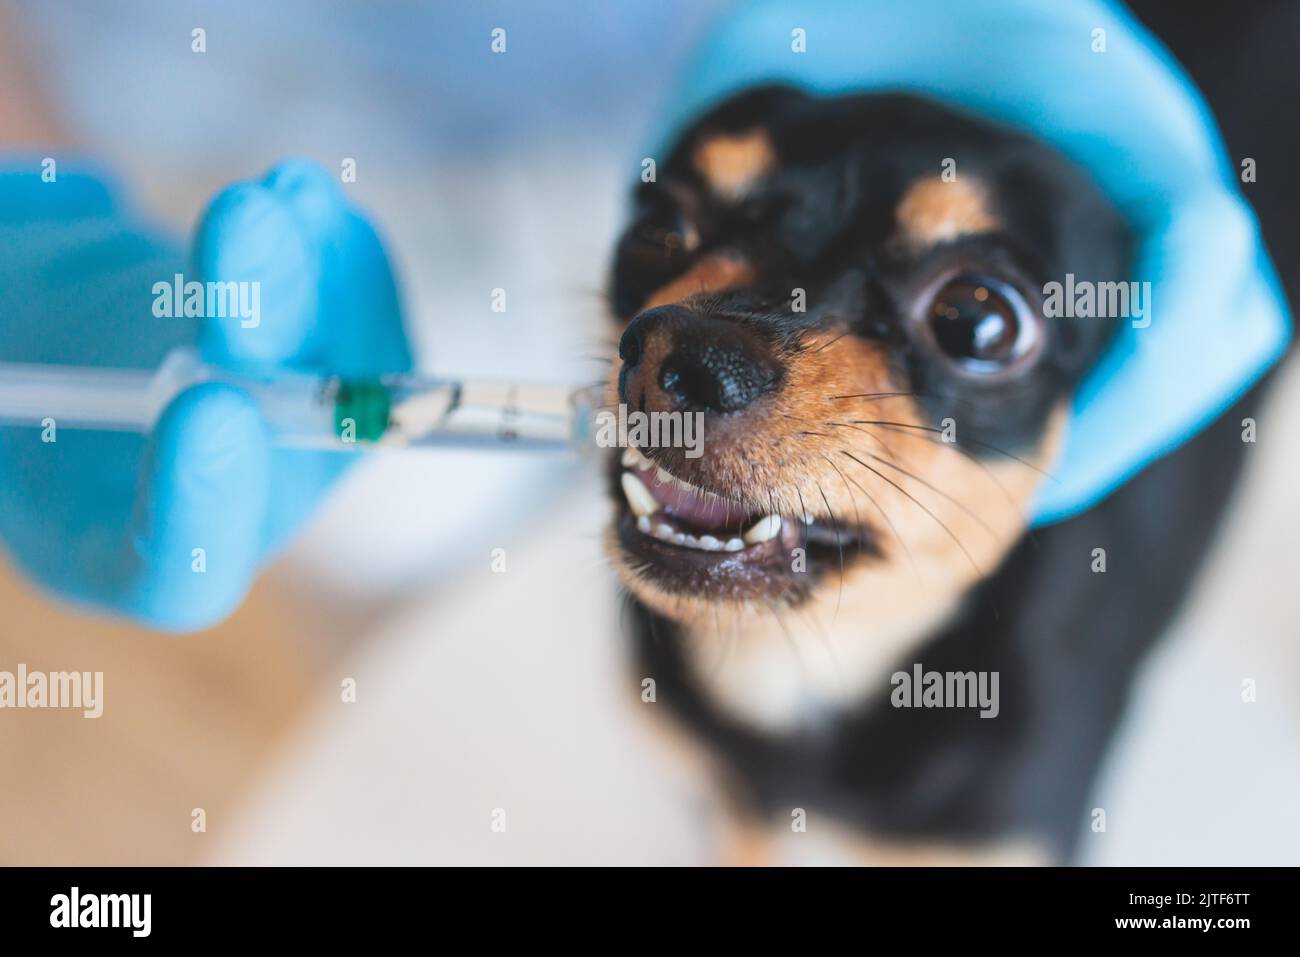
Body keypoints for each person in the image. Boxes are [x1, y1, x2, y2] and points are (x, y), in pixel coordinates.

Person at [0, 0, 1289, 631]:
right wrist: (32, 233)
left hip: (585, 134)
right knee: (370, 520)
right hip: (177, 106)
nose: (692, 354)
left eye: (970, 316)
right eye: (676, 238)